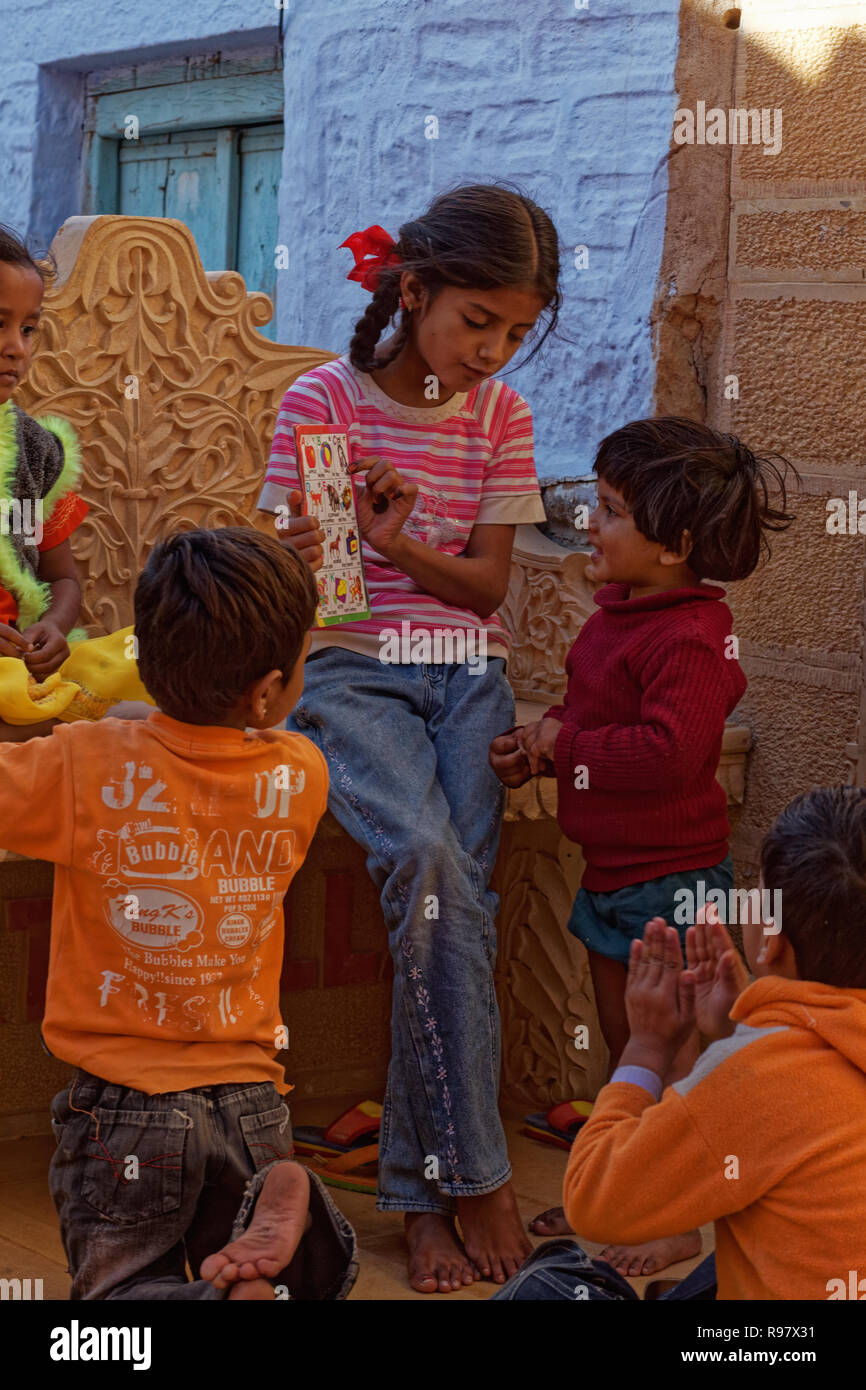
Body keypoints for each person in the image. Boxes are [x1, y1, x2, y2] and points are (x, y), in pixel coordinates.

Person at [258, 183, 561, 1292]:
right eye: (476, 319)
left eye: (515, 332)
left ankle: (416, 1195)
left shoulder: (501, 419)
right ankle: (473, 1174)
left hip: (464, 678)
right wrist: (332, 547)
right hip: (348, 674)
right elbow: (331, 598)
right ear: (414, 290)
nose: (491, 350)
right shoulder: (320, 404)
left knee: (451, 902)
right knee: (430, 867)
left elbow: (482, 591)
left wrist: (399, 540)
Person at [0, 527, 357, 1299]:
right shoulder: (301, 773)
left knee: (118, 1311)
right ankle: (296, 1243)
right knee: (259, 1274)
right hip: (255, 1103)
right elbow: (216, 745)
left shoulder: (80, 763)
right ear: (268, 689)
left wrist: (100, 725)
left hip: (125, 1111)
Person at [489, 416, 795, 1275]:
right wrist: (543, 740)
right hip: (614, 877)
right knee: (630, 1043)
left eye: (614, 510)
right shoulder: (618, 616)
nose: (592, 521)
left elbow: (667, 753)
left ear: (676, 546)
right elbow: (591, 719)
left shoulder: (693, 639)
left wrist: (564, 750)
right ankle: (624, 1187)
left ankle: (676, 1218)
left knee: (682, 1059)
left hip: (672, 883)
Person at [493, 786, 866, 1300]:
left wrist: (646, 1049)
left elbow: (593, 1199)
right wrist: (744, 1030)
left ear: (771, 938)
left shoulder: (758, 1078)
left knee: (542, 1290)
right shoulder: (775, 1061)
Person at [0, 225, 89, 736]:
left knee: (147, 704)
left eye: (28, 329)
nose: (16, 348)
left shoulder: (36, 453)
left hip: (18, 668)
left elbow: (64, 579)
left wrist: (53, 627)